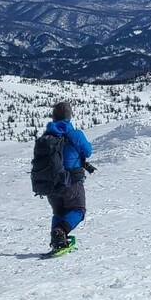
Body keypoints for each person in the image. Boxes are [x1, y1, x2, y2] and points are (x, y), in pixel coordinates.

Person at [41, 100, 95, 252]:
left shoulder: (47, 137)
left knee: (59, 212)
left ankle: (57, 241)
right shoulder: (75, 134)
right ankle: (60, 232)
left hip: (50, 184)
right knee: (78, 210)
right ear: (69, 116)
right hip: (71, 181)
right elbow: (88, 151)